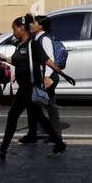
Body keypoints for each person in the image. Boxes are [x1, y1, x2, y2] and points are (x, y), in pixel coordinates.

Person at [0, 16, 65, 161]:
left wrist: (63, 74)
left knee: (13, 116)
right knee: (40, 118)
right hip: (24, 87)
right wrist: (5, 59)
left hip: (30, 88)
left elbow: (47, 61)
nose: (13, 33)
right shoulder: (20, 45)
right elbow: (19, 61)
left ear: (21, 28)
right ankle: (59, 143)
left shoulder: (33, 44)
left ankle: (2, 151)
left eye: (14, 29)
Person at [20, 14, 71, 144]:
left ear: (41, 26)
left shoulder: (44, 39)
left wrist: (47, 77)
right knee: (39, 107)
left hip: (48, 77)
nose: (32, 24)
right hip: (42, 77)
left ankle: (55, 137)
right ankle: (42, 135)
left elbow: (50, 60)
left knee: (46, 107)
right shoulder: (37, 38)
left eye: (34, 22)